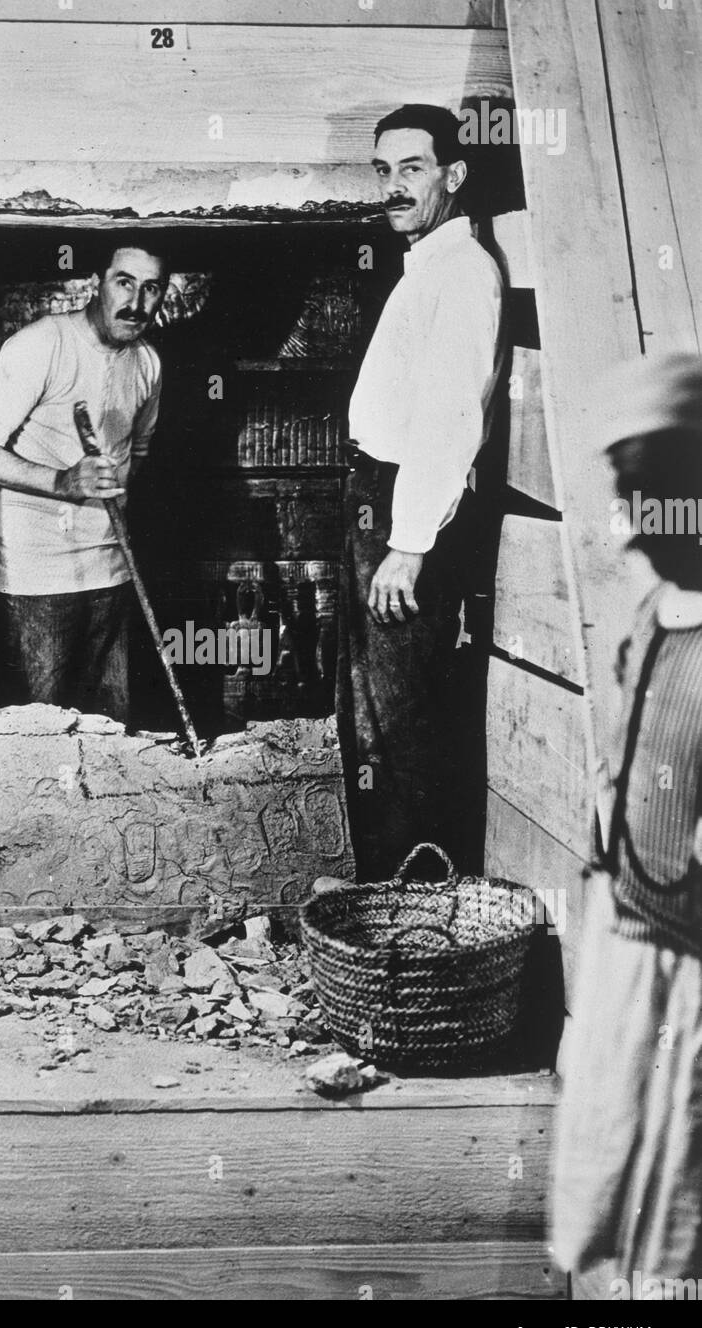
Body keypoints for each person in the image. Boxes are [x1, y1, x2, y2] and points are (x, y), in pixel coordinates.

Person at [551, 353, 702, 1301]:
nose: (642, 511)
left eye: (662, 485)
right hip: (632, 950)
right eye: (631, 488)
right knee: (621, 1194)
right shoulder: (650, 616)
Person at [336, 104, 505, 879]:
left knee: (400, 726)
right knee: (372, 714)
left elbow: (449, 418)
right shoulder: (427, 267)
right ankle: (384, 902)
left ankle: (412, 915)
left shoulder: (463, 272)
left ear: (453, 175)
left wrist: (406, 547)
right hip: (383, 500)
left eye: (412, 168)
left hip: (408, 516)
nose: (394, 186)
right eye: (383, 170)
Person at [0, 239, 168, 724]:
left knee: (110, 735)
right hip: (36, 578)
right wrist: (63, 481)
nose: (136, 303)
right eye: (124, 282)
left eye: (151, 288)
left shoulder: (148, 364)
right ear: (97, 284)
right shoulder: (41, 345)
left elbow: (135, 455)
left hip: (112, 571)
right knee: (37, 738)